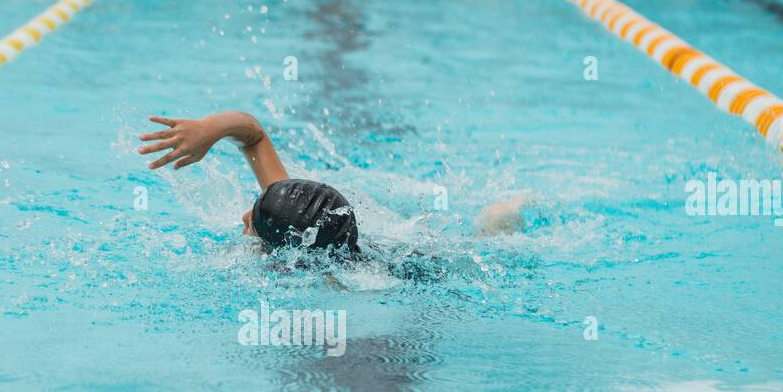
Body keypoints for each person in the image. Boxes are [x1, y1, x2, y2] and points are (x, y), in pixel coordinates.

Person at [137, 111, 527, 263]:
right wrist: (210, 130)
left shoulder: (314, 271)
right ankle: (495, 227)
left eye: (255, 218)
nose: (244, 216)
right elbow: (253, 136)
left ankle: (495, 230)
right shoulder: (306, 220)